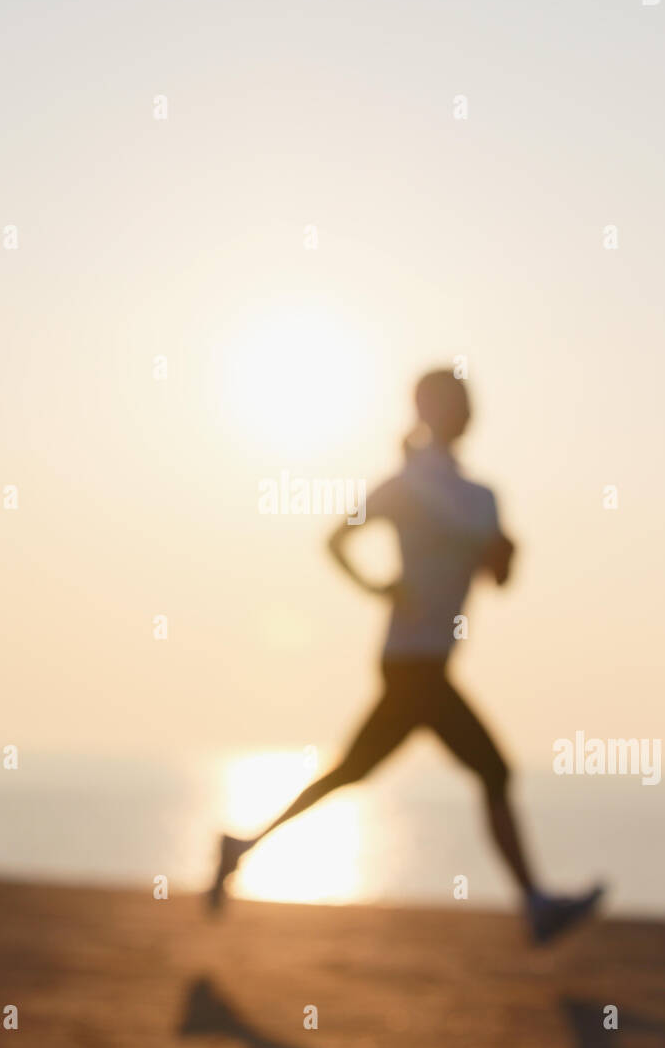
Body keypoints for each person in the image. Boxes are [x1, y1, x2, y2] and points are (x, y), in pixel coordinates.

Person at [209, 368, 603, 943]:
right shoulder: (405, 486)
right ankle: (537, 906)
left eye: (469, 401)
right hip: (409, 664)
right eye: (456, 402)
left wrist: (503, 554)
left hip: (429, 665)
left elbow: (499, 577)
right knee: (491, 770)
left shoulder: (480, 496)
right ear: (430, 410)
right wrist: (377, 588)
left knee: (352, 771)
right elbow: (337, 537)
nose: (467, 411)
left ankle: (240, 846)